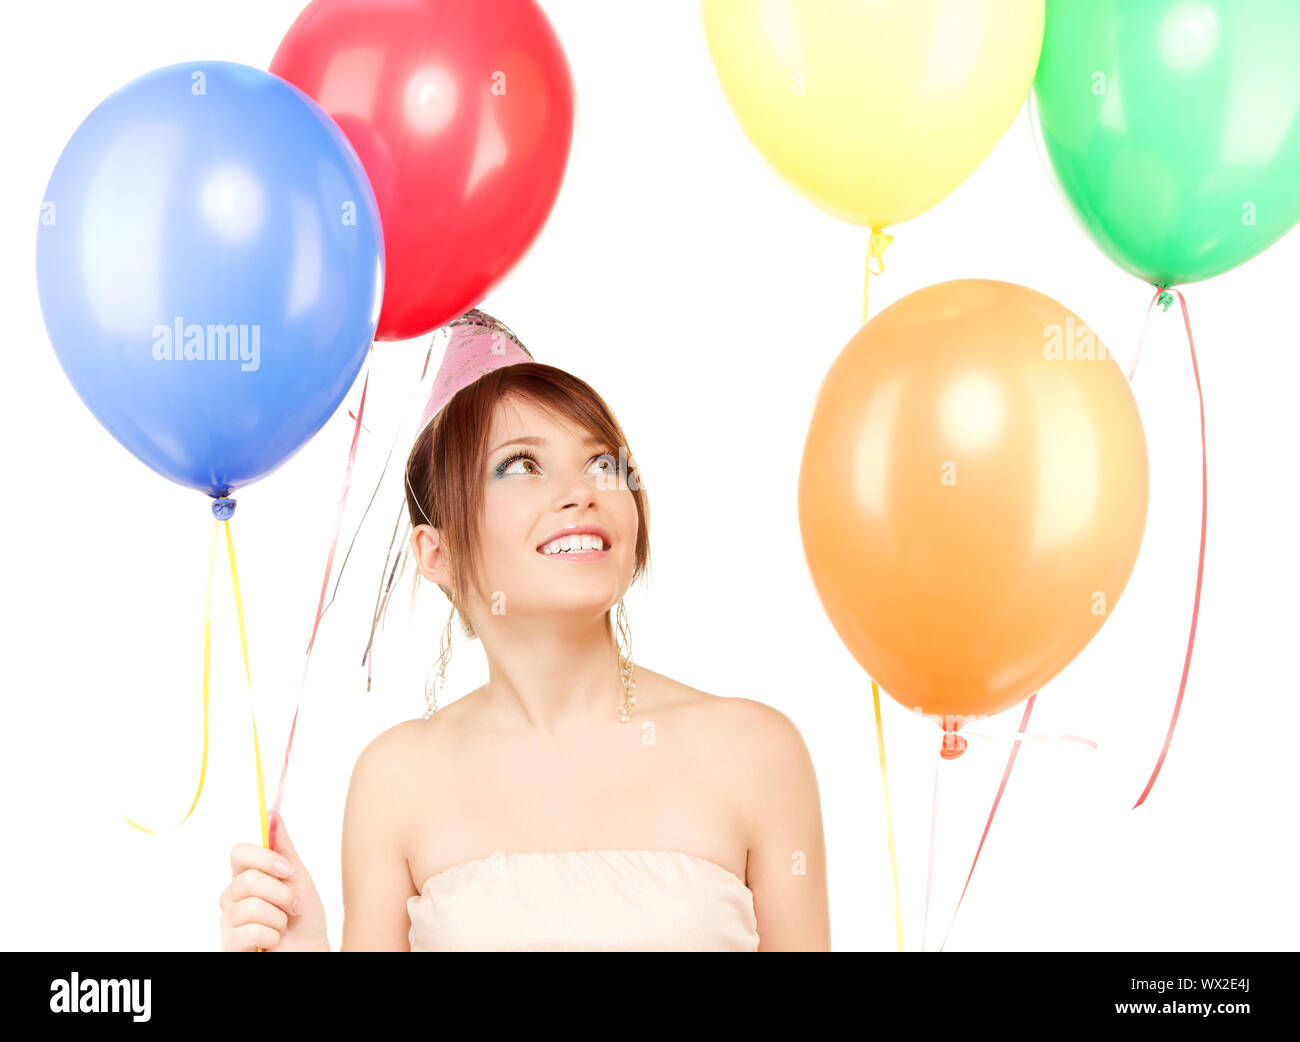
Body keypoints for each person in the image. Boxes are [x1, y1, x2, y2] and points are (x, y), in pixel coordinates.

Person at [219, 310, 830, 950]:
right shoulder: (396, 779)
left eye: (602, 463)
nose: (581, 491)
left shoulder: (756, 752)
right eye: (518, 466)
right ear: (438, 553)